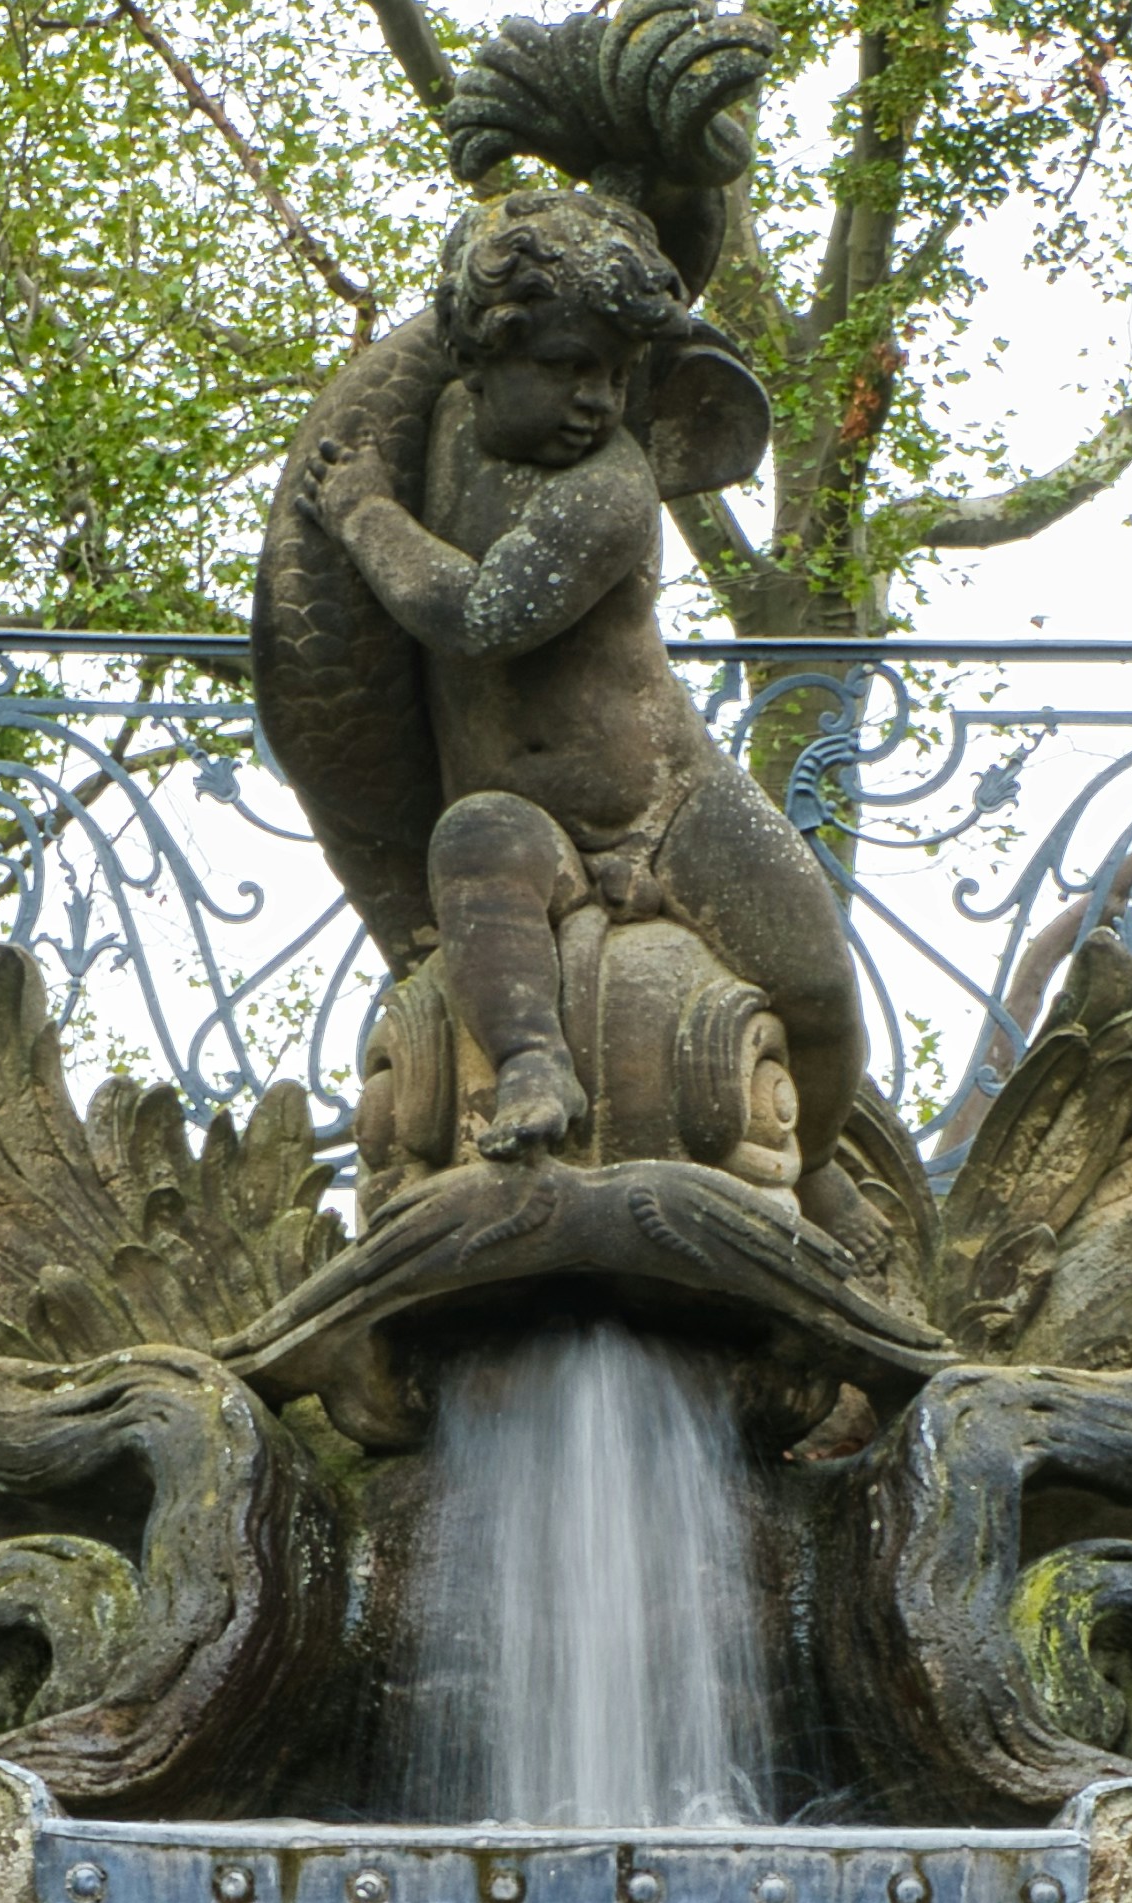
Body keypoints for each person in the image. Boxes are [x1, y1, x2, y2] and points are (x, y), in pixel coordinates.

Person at [275, 184, 862, 1176]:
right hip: (520, 811)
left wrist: (365, 515)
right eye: (567, 365)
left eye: (620, 373)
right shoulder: (441, 431)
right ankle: (533, 1064)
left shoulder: (610, 484)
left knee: (821, 987)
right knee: (471, 851)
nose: (598, 398)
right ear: (481, 350)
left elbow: (483, 617)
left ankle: (820, 1179)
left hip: (670, 801)